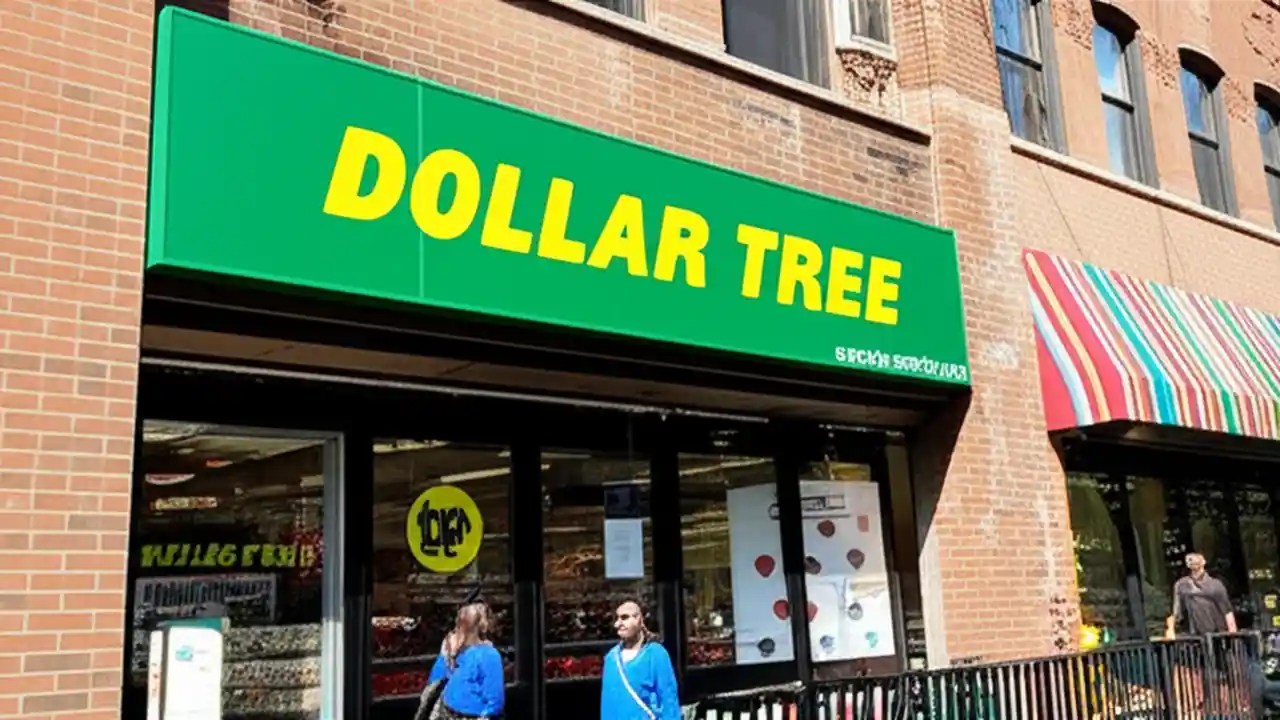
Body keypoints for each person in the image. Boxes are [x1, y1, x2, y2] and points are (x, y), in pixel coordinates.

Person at [423, 601, 505, 720]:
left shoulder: (488, 654)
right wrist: (446, 654)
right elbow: (495, 702)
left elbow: (495, 703)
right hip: (448, 713)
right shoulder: (458, 651)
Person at [600, 601, 679, 720]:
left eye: (624, 617)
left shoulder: (656, 654)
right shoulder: (611, 658)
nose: (618, 624)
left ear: (639, 619)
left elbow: (668, 700)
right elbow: (607, 704)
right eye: (616, 619)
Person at [1165, 552, 1237, 639]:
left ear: (1203, 562)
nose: (1191, 560)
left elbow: (1227, 611)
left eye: (1195, 558)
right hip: (1192, 635)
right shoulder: (1181, 585)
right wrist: (1170, 630)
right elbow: (1175, 612)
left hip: (1216, 633)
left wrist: (1233, 636)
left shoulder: (1215, 584)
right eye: (1189, 559)